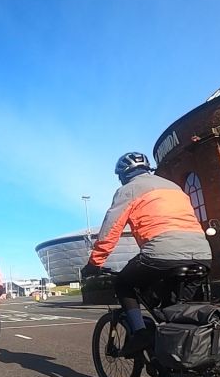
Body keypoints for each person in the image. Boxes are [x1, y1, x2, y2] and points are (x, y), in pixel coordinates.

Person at [82, 152, 212, 357]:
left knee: (123, 284)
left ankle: (140, 334)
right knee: (173, 309)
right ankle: (182, 357)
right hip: (203, 254)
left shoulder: (128, 189)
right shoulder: (174, 187)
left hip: (162, 253)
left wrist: (94, 263)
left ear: (123, 175)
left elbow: (111, 228)